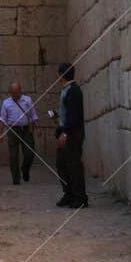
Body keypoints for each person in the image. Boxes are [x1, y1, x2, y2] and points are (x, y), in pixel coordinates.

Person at [55, 63, 87, 209]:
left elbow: (74, 117)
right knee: (62, 164)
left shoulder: (73, 91)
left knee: (73, 166)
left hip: (72, 134)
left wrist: (65, 133)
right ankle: (69, 194)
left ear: (61, 75)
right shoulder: (68, 90)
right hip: (68, 131)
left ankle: (79, 198)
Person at [0, 82, 39, 185]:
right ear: (10, 92)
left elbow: (33, 115)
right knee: (13, 156)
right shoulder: (6, 103)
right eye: (12, 93)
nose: (15, 95)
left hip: (26, 130)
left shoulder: (27, 100)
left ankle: (25, 169)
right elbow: (3, 119)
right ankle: (16, 179)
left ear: (20, 91)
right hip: (13, 130)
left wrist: (38, 128)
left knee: (29, 153)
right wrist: (1, 134)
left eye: (16, 93)